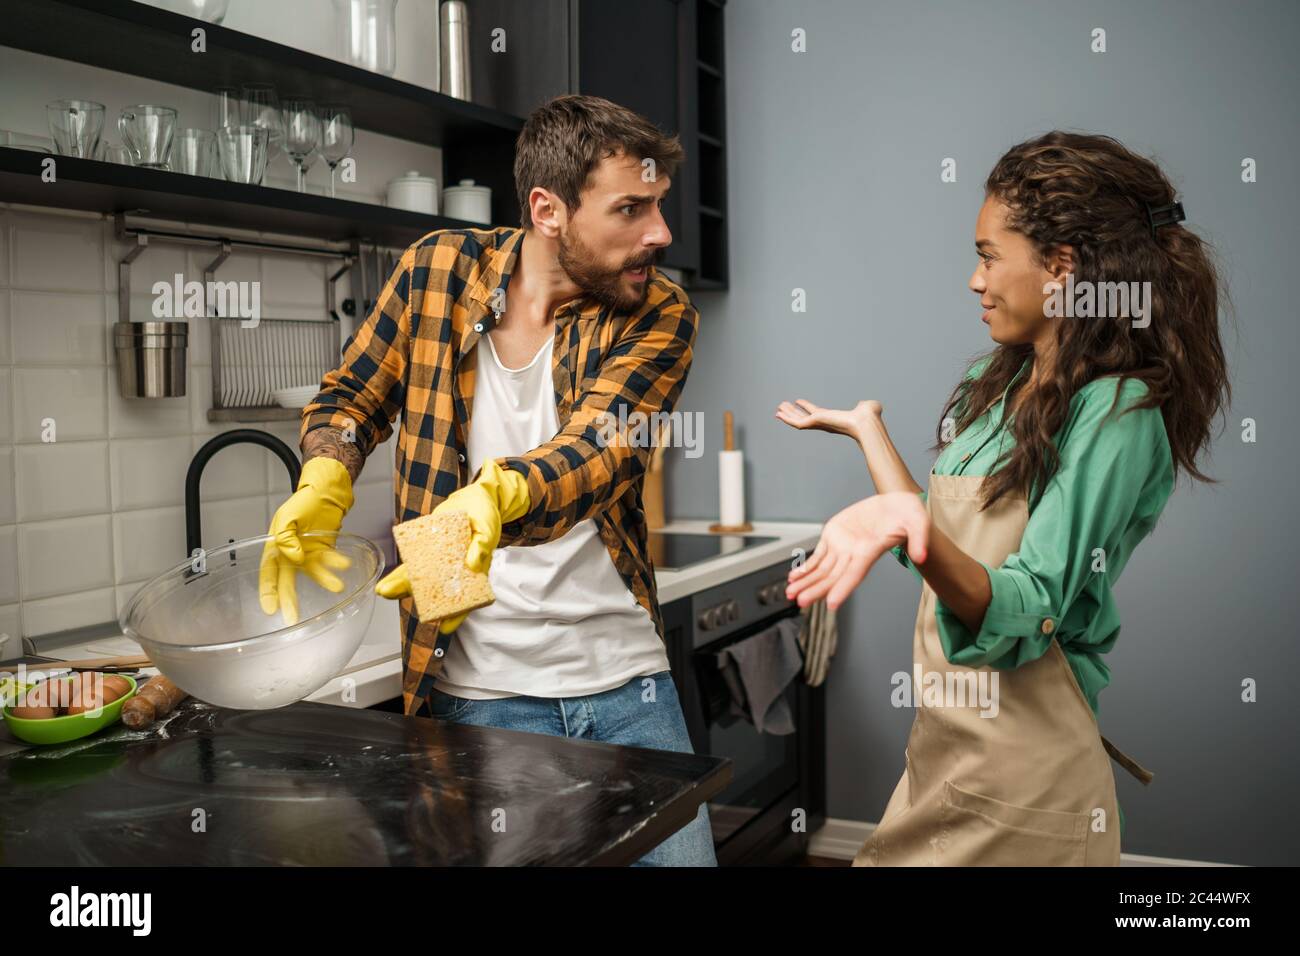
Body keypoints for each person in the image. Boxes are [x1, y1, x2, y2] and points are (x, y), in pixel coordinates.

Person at [258, 94, 716, 866]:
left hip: (627, 685)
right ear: (547, 209)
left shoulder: (659, 311)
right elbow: (351, 396)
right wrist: (325, 473)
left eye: (659, 206)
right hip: (480, 695)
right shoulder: (436, 271)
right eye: (631, 209)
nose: (660, 234)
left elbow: (599, 453)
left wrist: (502, 495)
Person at [777, 131, 1230, 866]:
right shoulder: (1008, 387)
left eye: (989, 255)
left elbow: (1028, 603)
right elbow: (943, 549)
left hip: (1026, 785)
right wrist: (869, 436)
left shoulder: (1118, 413)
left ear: (1061, 267)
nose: (974, 279)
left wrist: (908, 522)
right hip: (945, 758)